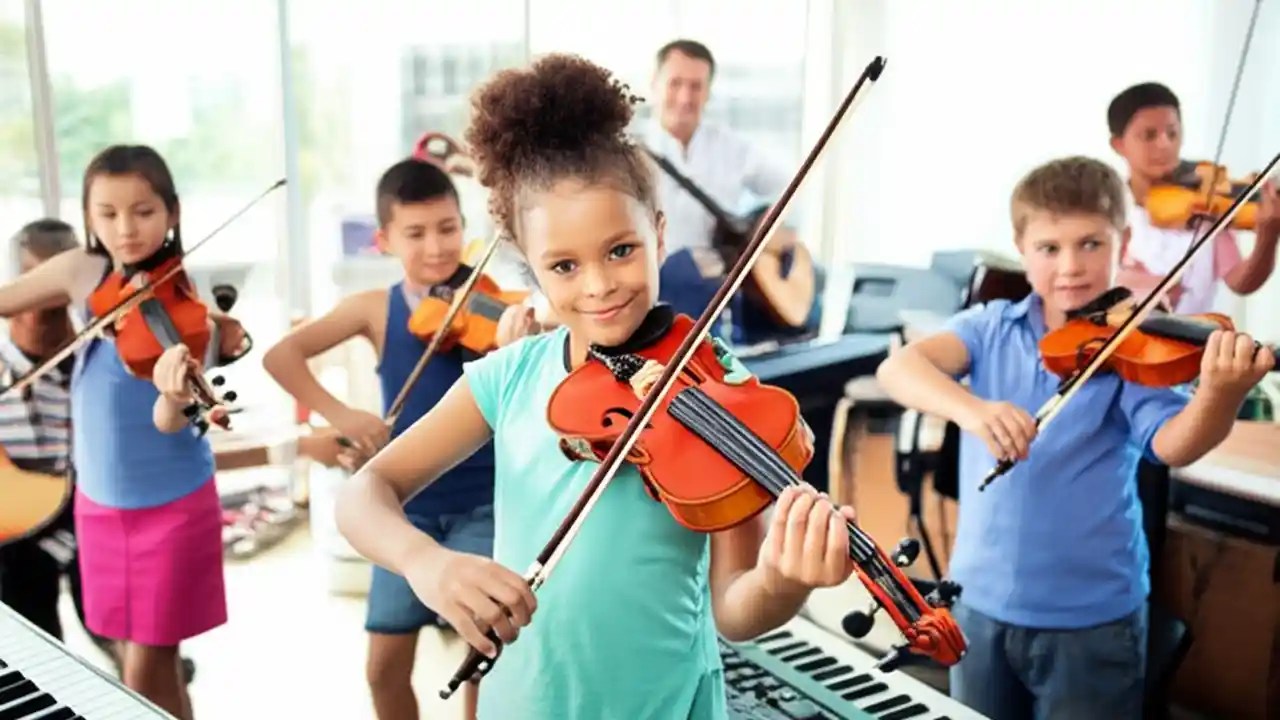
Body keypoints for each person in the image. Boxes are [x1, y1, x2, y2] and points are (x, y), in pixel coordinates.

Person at [334, 54, 860, 720]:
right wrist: (426, 564)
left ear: (658, 235)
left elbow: (735, 609)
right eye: (563, 265)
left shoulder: (715, 384)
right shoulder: (509, 377)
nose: (599, 286)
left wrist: (782, 581)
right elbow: (364, 493)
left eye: (621, 250)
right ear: (532, 270)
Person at [875, 155, 1275, 719]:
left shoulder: (1130, 349)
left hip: (1091, 619)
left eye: (1091, 244)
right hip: (977, 604)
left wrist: (1220, 394)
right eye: (1049, 248)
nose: (1071, 267)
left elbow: (1173, 444)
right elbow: (898, 368)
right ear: (1021, 248)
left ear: (1122, 242)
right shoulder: (991, 328)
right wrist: (974, 411)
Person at [262, 157, 529, 720]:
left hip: (485, 504)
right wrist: (342, 415)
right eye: (416, 233)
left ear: (465, 228)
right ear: (384, 240)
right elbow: (281, 356)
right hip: (405, 512)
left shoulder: (496, 307)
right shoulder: (373, 310)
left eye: (448, 228)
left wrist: (517, 344)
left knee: (482, 660)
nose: (436, 247)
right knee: (382, 670)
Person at [0, 145, 247, 720]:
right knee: (157, 677)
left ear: (172, 213)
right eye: (107, 214)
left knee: (141, 673)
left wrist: (173, 394)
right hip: (101, 505)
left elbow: (169, 422)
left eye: (143, 211)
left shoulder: (185, 305)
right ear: (88, 216)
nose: (125, 230)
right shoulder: (81, 272)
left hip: (170, 505)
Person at [643, 39, 813, 343]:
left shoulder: (730, 147)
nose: (685, 97)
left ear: (708, 92)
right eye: (675, 83)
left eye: (696, 86)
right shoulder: (629, 154)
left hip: (718, 290)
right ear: (654, 83)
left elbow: (791, 190)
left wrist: (774, 233)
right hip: (661, 288)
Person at [1108, 81, 1279, 314]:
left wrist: (1268, 238)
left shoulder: (1204, 202)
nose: (1165, 144)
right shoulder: (1106, 208)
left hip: (1197, 335)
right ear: (1118, 144)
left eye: (1172, 133)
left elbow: (1241, 282)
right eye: (1149, 135)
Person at [0, 219, 86, 641]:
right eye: (31, 281)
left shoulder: (95, 363)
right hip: (14, 532)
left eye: (54, 282)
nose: (40, 299)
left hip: (87, 515)